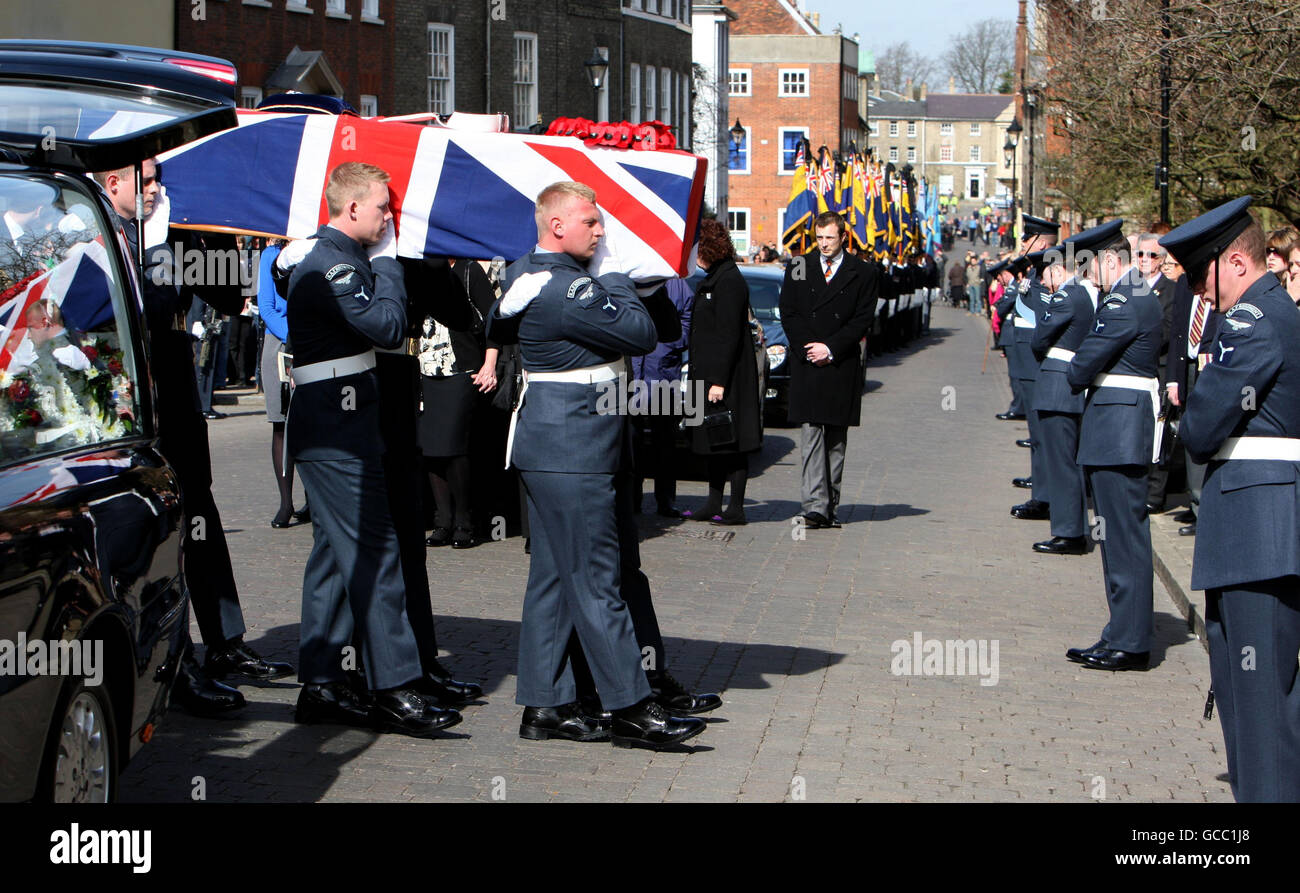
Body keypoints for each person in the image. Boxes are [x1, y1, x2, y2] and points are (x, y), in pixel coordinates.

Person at [486, 180, 705, 749]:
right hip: (571, 446)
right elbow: (637, 333)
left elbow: (659, 323)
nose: (601, 230)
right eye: (592, 222)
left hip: (566, 442)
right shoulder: (560, 286)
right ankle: (630, 704)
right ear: (557, 226)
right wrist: (612, 271)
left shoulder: (538, 277)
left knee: (556, 580)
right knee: (597, 577)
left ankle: (547, 705)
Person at [93, 159, 293, 715]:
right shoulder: (98, 232)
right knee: (162, 525)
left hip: (176, 378)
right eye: (146, 180)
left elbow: (230, 294)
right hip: (136, 390)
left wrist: (200, 231)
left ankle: (225, 642)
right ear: (114, 184)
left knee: (199, 509)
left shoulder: (169, 230)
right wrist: (158, 248)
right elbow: (137, 309)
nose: (158, 189)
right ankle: (173, 663)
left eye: (160, 178)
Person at [280, 161, 460, 737]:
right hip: (337, 426)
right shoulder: (335, 263)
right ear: (351, 208)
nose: (389, 217)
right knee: (378, 554)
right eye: (382, 207)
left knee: (335, 558)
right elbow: (386, 326)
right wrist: (386, 261)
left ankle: (325, 684)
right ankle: (394, 686)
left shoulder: (335, 258)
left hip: (342, 422)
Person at [1164, 197, 1300, 801]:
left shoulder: (1253, 320)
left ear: (1236, 262)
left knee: (1259, 706)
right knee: (1257, 699)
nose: (1197, 290)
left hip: (1257, 530)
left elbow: (1198, 426)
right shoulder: (1274, 311)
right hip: (1261, 528)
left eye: (1201, 274)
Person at [1064, 218, 1163, 672]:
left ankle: (1131, 640)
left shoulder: (1126, 299)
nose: (1089, 277)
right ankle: (1120, 631)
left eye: (1091, 268)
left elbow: (1082, 365)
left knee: (1123, 539)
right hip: (1115, 429)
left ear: (1109, 259)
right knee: (1117, 538)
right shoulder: (1129, 295)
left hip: (1119, 430)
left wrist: (1079, 365)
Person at [779, 211, 878, 530]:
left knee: (835, 437)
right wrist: (809, 346)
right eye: (819, 238)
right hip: (808, 361)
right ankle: (813, 505)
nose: (823, 244)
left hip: (840, 362)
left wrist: (831, 348)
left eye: (829, 238)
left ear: (843, 237)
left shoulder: (862, 272)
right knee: (811, 434)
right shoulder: (798, 267)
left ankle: (830, 504)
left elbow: (862, 318)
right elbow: (789, 311)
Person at [680, 218, 762, 525]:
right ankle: (713, 502)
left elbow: (727, 336)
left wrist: (718, 382)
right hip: (707, 374)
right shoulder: (713, 278)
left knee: (732, 442)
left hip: (726, 379)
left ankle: (735, 507)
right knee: (712, 442)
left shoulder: (729, 281)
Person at [416, 257, 499, 549]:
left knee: (454, 447)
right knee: (431, 448)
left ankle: (465, 521)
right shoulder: (418, 269)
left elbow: (493, 318)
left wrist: (490, 363)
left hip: (462, 370)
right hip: (424, 370)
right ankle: (443, 521)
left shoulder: (467, 269)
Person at [1030, 234, 1101, 555]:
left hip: (1058, 386)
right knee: (1066, 461)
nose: (1047, 285)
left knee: (1060, 462)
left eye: (1048, 278)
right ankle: (1070, 528)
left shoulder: (1066, 297)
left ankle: (1069, 531)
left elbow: (1040, 338)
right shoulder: (1084, 295)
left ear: (1058, 272)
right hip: (1068, 387)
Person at [1007, 215, 1061, 523]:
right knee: (1037, 434)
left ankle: (1045, 497)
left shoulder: (1044, 273)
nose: (1023, 244)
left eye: (1027, 239)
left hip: (1035, 362)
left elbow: (1043, 322)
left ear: (1040, 243)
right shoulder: (1034, 270)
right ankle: (1041, 490)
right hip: (1027, 362)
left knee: (1042, 434)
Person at [1163, 255, 1219, 538]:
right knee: (1187, 433)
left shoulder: (1219, 285)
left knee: (1206, 434)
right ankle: (1195, 501)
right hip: (1187, 368)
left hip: (1210, 369)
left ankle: (1204, 507)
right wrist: (1173, 378)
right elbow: (1177, 333)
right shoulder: (1185, 285)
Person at [632, 276, 693, 517]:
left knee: (664, 442)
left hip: (663, 375)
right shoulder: (629, 277)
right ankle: (632, 499)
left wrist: (668, 344)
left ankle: (666, 500)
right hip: (632, 374)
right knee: (631, 441)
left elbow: (688, 320)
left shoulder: (677, 284)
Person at [259, 238, 308, 528]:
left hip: (312, 338)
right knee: (281, 424)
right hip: (280, 342)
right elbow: (266, 306)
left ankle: (313, 499)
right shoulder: (271, 254)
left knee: (311, 423)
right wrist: (295, 334)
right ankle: (285, 501)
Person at [1135, 230, 1178, 513]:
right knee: (1137, 430)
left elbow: (1168, 329)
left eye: (1151, 255)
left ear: (1162, 259)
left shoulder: (1171, 291)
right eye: (1140, 254)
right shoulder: (1128, 286)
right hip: (1133, 372)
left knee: (1159, 431)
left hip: (1158, 369)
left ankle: (1155, 492)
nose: (1145, 260)